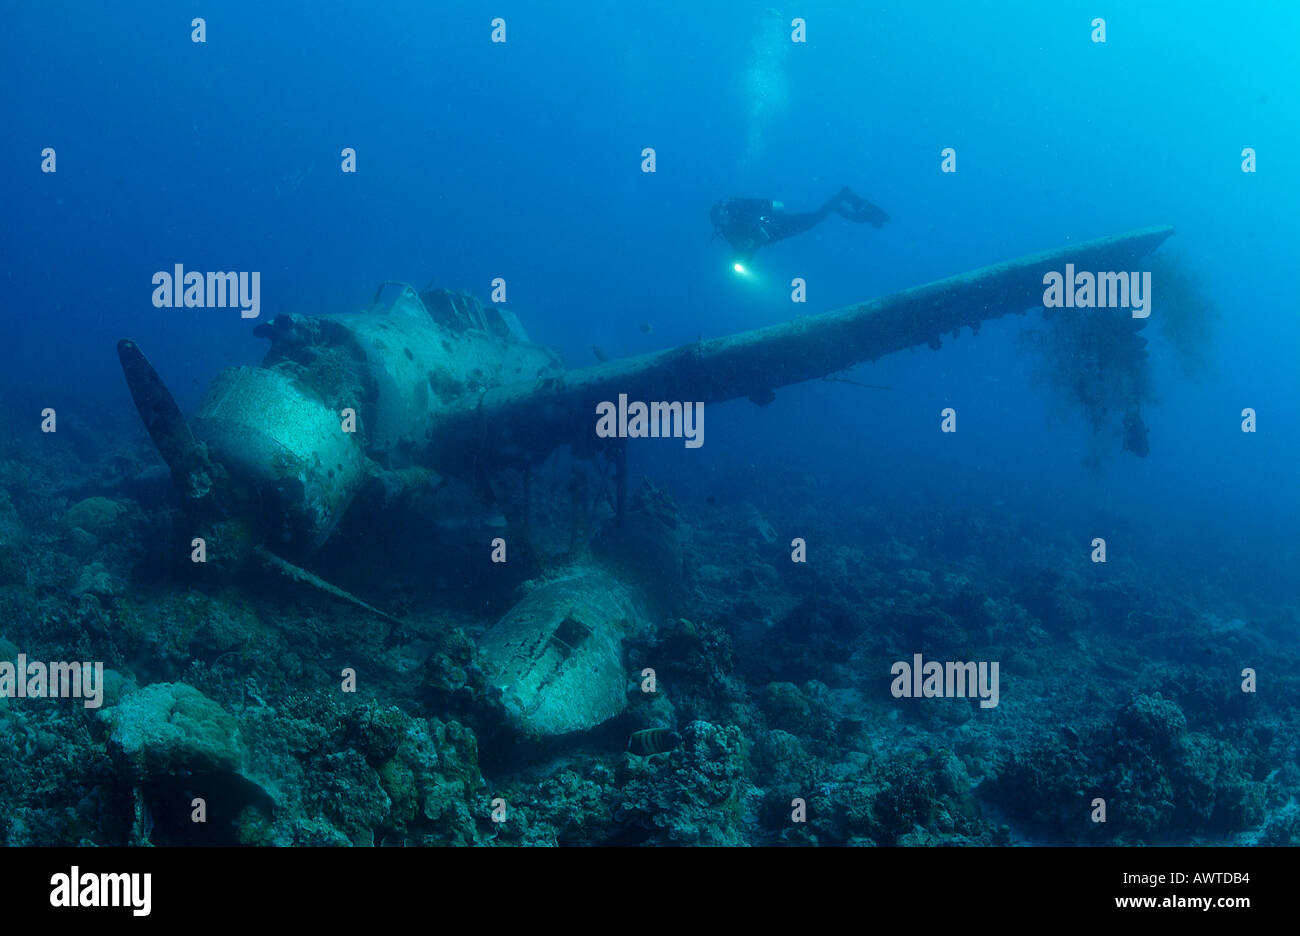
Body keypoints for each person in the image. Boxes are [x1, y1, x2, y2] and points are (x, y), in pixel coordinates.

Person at [710, 186, 889, 262]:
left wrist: (754, 239)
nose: (724, 222)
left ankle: (843, 197)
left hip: (781, 225)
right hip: (779, 233)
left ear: (725, 212)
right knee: (818, 218)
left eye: (723, 217)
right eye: (720, 222)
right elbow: (745, 248)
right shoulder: (727, 232)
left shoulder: (741, 215)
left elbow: (758, 236)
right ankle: (840, 203)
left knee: (817, 218)